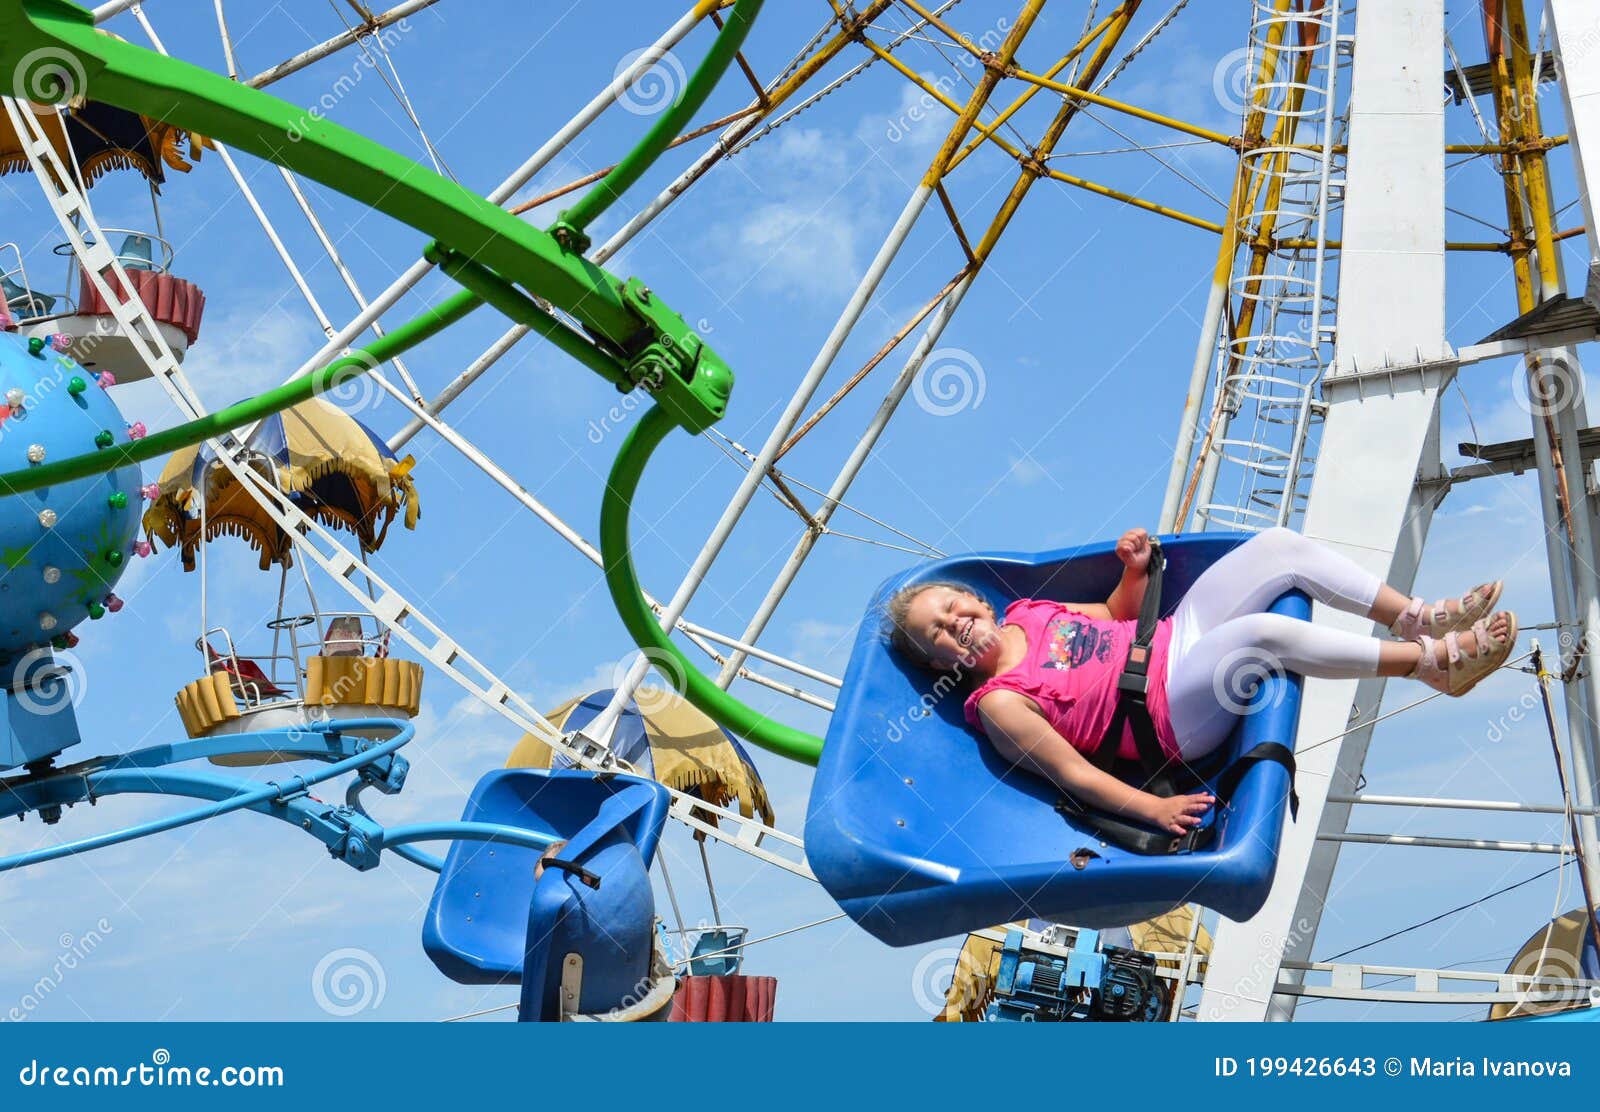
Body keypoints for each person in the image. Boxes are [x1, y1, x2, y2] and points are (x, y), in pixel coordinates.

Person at [887, 526, 1516, 836]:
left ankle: (1414, 616)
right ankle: (1429, 662)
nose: (956, 623)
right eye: (938, 632)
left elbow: (1116, 617)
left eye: (954, 606)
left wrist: (1133, 572)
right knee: (1257, 637)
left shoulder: (1030, 613)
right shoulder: (999, 703)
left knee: (1278, 545)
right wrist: (1152, 808)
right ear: (943, 664)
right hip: (1166, 713)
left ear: (978, 601)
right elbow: (1073, 775)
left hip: (1171, 638)